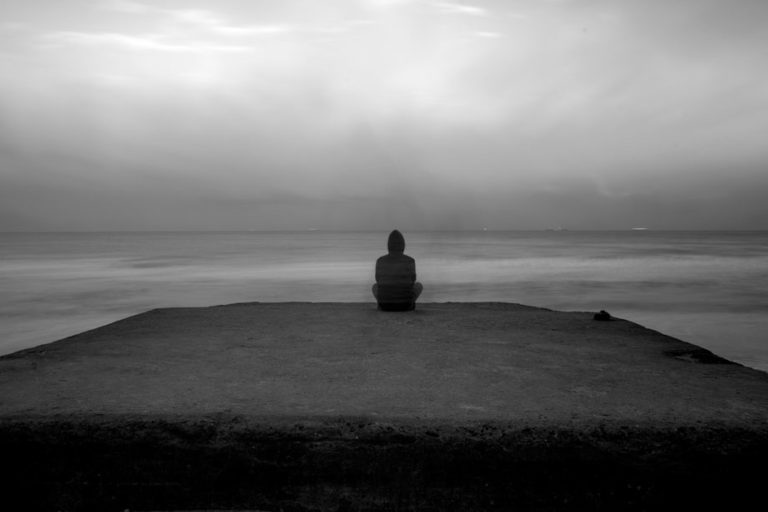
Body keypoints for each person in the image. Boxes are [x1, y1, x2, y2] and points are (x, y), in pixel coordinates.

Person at [372, 230, 423, 311]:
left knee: (374, 286)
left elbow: (378, 280)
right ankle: (409, 303)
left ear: (389, 245)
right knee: (419, 285)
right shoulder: (410, 261)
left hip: (385, 305)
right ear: (403, 245)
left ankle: (380, 305)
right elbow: (413, 280)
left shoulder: (380, 260)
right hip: (406, 305)